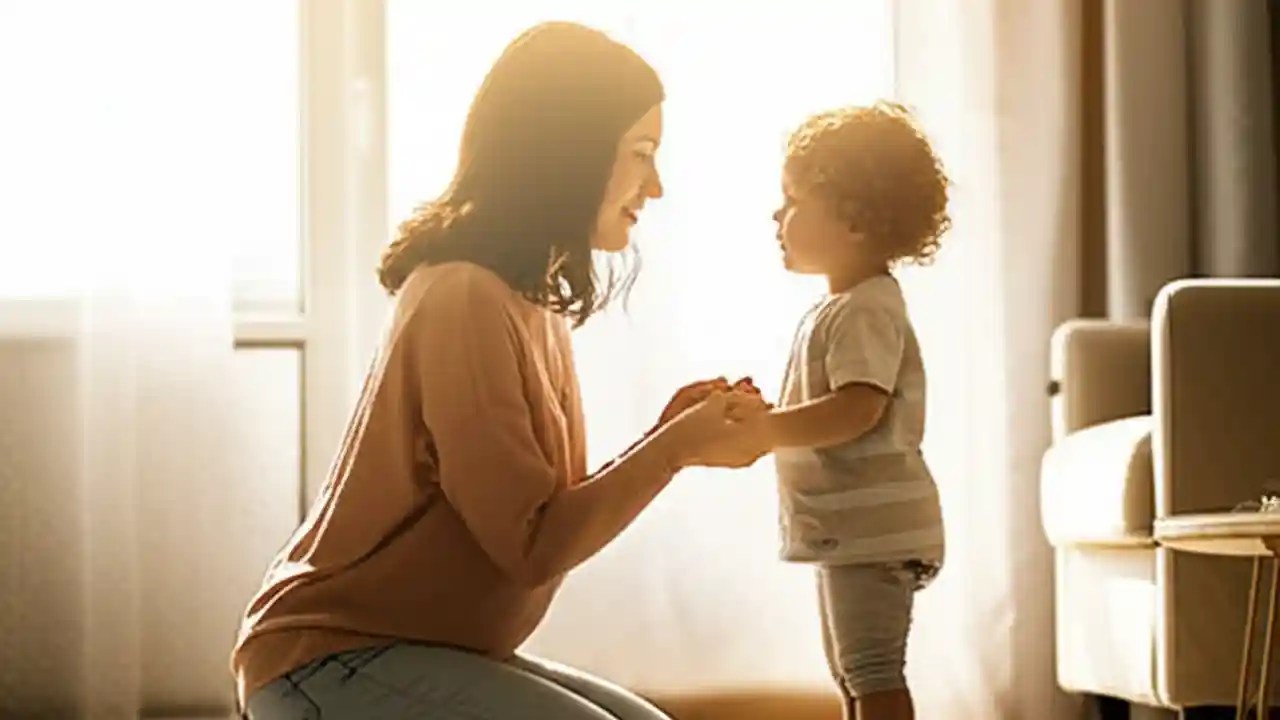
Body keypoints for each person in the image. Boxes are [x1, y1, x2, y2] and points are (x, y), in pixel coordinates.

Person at [230, 21, 768, 720]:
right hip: (325, 661)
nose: (655, 186)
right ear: (570, 152)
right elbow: (533, 546)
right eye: (640, 153)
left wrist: (669, 436)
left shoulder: (528, 299)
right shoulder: (463, 297)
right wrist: (674, 451)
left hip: (422, 648)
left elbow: (543, 514)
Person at [748, 102, 951, 720]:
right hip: (855, 531)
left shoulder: (866, 307)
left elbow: (857, 409)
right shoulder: (845, 307)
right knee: (854, 671)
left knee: (871, 671)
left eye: (792, 201)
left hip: (873, 533)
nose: (776, 216)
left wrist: (763, 430)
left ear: (855, 220)